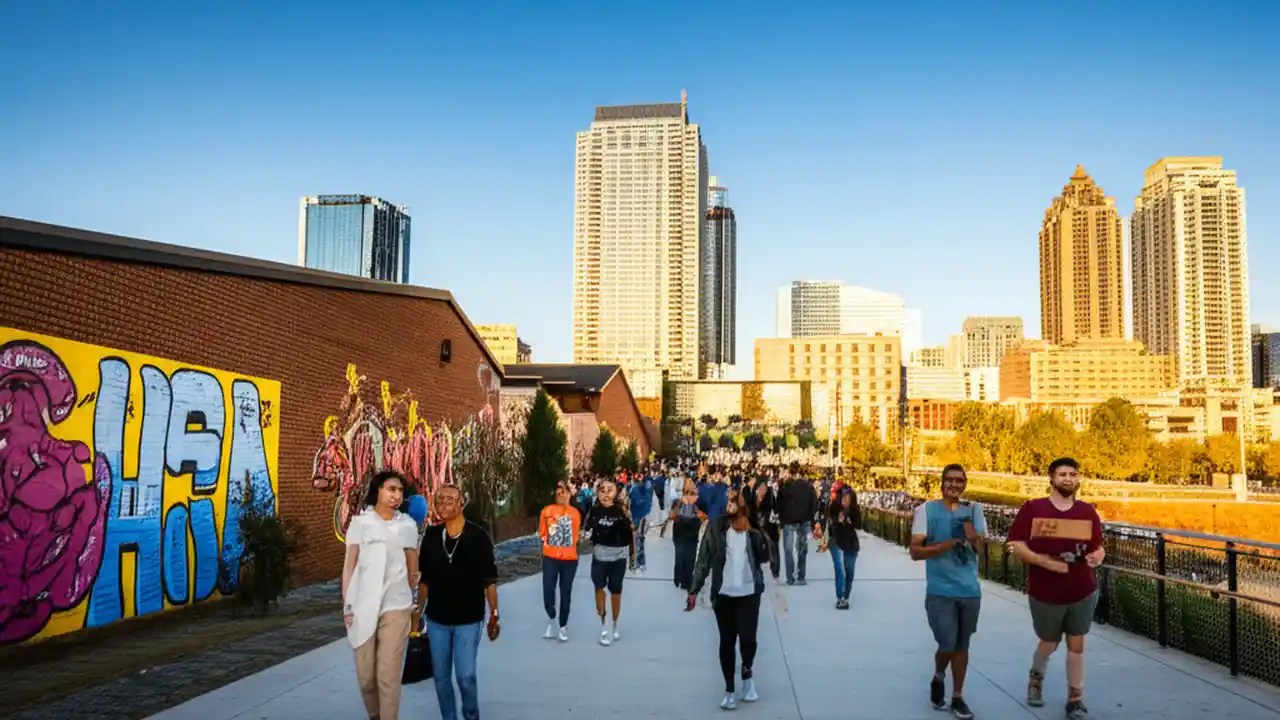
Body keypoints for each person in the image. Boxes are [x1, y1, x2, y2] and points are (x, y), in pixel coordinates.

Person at [1006, 457, 1104, 720]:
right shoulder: (1033, 508)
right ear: (1051, 478)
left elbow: (1097, 546)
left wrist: (1099, 556)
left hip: (1082, 590)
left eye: (1073, 474)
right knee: (1048, 643)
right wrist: (1043, 561)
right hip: (1045, 593)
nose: (1068, 479)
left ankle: (1076, 698)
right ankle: (1035, 681)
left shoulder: (1087, 512)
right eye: (1062, 474)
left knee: (1077, 643)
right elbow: (1014, 545)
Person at [909, 463, 985, 720]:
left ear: (965, 484)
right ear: (942, 483)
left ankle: (958, 696)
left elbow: (979, 549)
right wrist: (947, 544)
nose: (954, 485)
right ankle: (939, 674)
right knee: (947, 644)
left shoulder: (974, 510)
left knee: (963, 645)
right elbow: (915, 551)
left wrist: (969, 530)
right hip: (940, 590)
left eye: (960, 481)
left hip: (969, 590)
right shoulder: (925, 511)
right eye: (950, 480)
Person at [342, 470, 420, 720]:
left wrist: (410, 598)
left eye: (399, 491)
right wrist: (348, 605)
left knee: (388, 677)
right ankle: (375, 715)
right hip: (363, 606)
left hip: (396, 608)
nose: (396, 495)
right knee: (366, 677)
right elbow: (349, 567)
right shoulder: (360, 524)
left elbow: (412, 569)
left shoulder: (407, 525)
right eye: (391, 489)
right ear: (378, 490)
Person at [418, 484, 500, 720]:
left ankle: (471, 714)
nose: (443, 504)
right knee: (441, 677)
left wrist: (494, 614)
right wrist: (417, 613)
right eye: (439, 499)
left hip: (468, 618)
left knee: (466, 676)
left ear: (461, 503)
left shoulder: (479, 537)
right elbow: (425, 580)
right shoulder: (432, 536)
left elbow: (489, 580)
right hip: (437, 619)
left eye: (450, 500)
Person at [687, 488, 770, 710]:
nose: (730, 505)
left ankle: (747, 672)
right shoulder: (716, 526)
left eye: (735, 501)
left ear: (743, 505)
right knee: (726, 641)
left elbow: (766, 556)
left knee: (748, 640)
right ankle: (729, 690)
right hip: (723, 595)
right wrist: (693, 590)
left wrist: (757, 533)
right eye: (728, 501)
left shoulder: (752, 528)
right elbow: (704, 559)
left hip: (749, 593)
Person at [582, 477, 635, 646]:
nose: (605, 494)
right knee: (598, 588)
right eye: (602, 490)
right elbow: (587, 530)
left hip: (618, 556)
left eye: (609, 490)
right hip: (599, 556)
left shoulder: (622, 511)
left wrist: (633, 556)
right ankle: (603, 620)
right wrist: (585, 536)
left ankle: (614, 623)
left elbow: (630, 534)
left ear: (616, 493)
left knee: (616, 591)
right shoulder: (594, 510)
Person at [538, 480, 581, 642]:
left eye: (564, 491)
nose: (561, 494)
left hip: (569, 559)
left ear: (570, 494)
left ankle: (563, 626)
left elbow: (575, 536)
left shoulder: (575, 513)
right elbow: (542, 532)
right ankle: (551, 618)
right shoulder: (547, 511)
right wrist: (547, 543)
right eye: (558, 491)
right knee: (548, 589)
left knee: (565, 592)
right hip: (550, 557)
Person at [776, 463, 817, 585]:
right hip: (804, 521)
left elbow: (778, 505)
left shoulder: (785, 487)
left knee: (788, 550)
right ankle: (801, 576)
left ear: (789, 472)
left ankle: (790, 577)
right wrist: (811, 518)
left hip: (789, 521)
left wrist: (781, 517)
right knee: (802, 548)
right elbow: (814, 503)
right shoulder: (809, 487)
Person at [822, 485, 862, 609]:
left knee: (849, 572)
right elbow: (828, 522)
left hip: (850, 542)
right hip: (836, 540)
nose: (845, 500)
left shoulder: (854, 510)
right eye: (843, 498)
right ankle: (841, 597)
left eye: (848, 498)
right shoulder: (834, 507)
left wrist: (848, 519)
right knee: (840, 570)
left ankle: (846, 594)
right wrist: (837, 521)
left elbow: (859, 524)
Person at [670, 481, 703, 590]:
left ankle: (686, 581)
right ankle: (678, 578)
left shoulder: (698, 505)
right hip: (681, 533)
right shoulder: (678, 503)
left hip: (691, 534)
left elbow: (701, 518)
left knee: (689, 559)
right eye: (690, 493)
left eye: (694, 493)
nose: (693, 496)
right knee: (680, 558)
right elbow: (672, 516)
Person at [629, 471, 654, 573]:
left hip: (640, 518)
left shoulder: (637, 489)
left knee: (638, 540)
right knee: (636, 541)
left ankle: (637, 563)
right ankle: (636, 563)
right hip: (638, 518)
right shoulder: (639, 490)